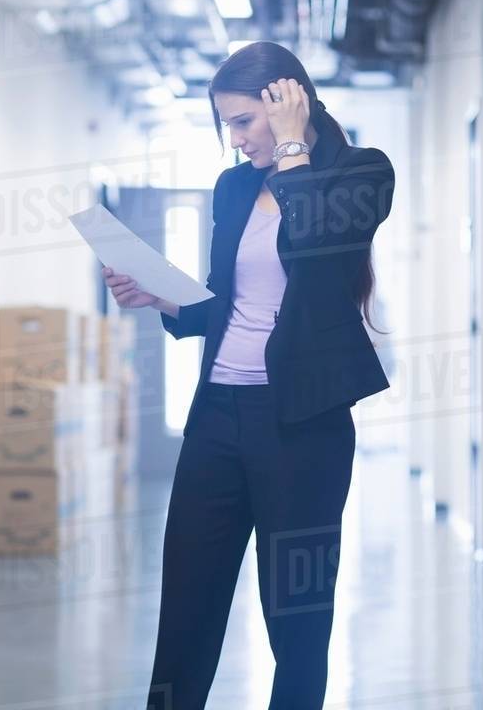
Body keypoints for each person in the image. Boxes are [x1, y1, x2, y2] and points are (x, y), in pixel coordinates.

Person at [104, 40, 396, 710]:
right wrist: (159, 296)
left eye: (244, 122)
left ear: (287, 99)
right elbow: (221, 299)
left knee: (296, 622)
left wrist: (292, 147)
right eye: (227, 126)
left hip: (303, 428)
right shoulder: (234, 187)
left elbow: (318, 252)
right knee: (186, 607)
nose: (235, 142)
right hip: (216, 422)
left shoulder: (362, 173)